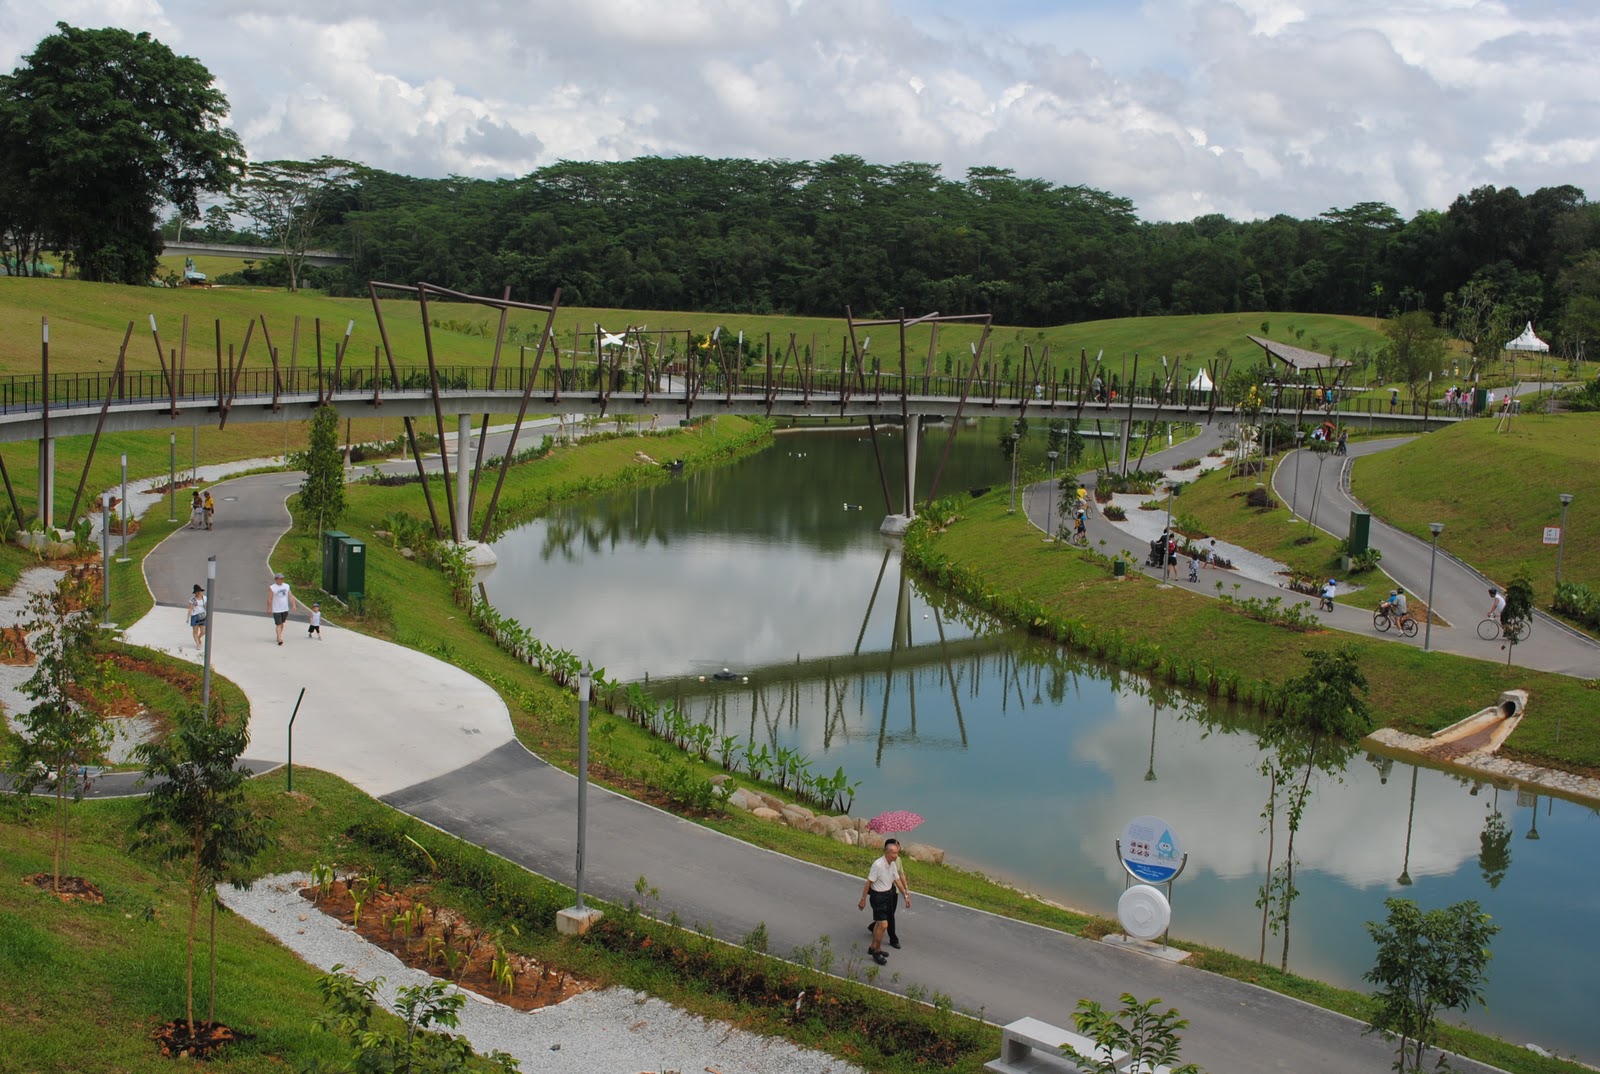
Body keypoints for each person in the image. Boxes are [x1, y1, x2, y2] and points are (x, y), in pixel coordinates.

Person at [858, 838, 910, 964]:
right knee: (884, 925)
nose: (896, 856)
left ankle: (872, 947)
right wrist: (863, 899)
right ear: (887, 853)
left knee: (878, 924)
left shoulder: (892, 864)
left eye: (897, 853)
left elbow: (897, 880)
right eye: (893, 853)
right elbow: (868, 882)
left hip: (887, 895)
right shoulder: (878, 865)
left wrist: (905, 895)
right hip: (878, 897)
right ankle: (877, 952)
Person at [267, 571, 299, 646]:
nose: (282, 580)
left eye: (282, 578)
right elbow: (269, 598)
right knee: (279, 624)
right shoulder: (272, 587)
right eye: (280, 579)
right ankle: (279, 638)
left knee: (282, 623)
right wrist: (269, 608)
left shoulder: (286, 586)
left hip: (285, 609)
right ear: (276, 579)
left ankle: (279, 635)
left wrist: (294, 605)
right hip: (276, 609)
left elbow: (290, 596)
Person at [187, 583, 207, 648]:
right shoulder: (193, 599)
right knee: (195, 631)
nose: (199, 593)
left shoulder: (204, 598)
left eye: (199, 591)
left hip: (202, 616)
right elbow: (190, 608)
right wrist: (188, 618)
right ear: (195, 592)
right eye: (197, 591)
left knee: (203, 631)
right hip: (195, 616)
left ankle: (198, 638)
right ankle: (198, 644)